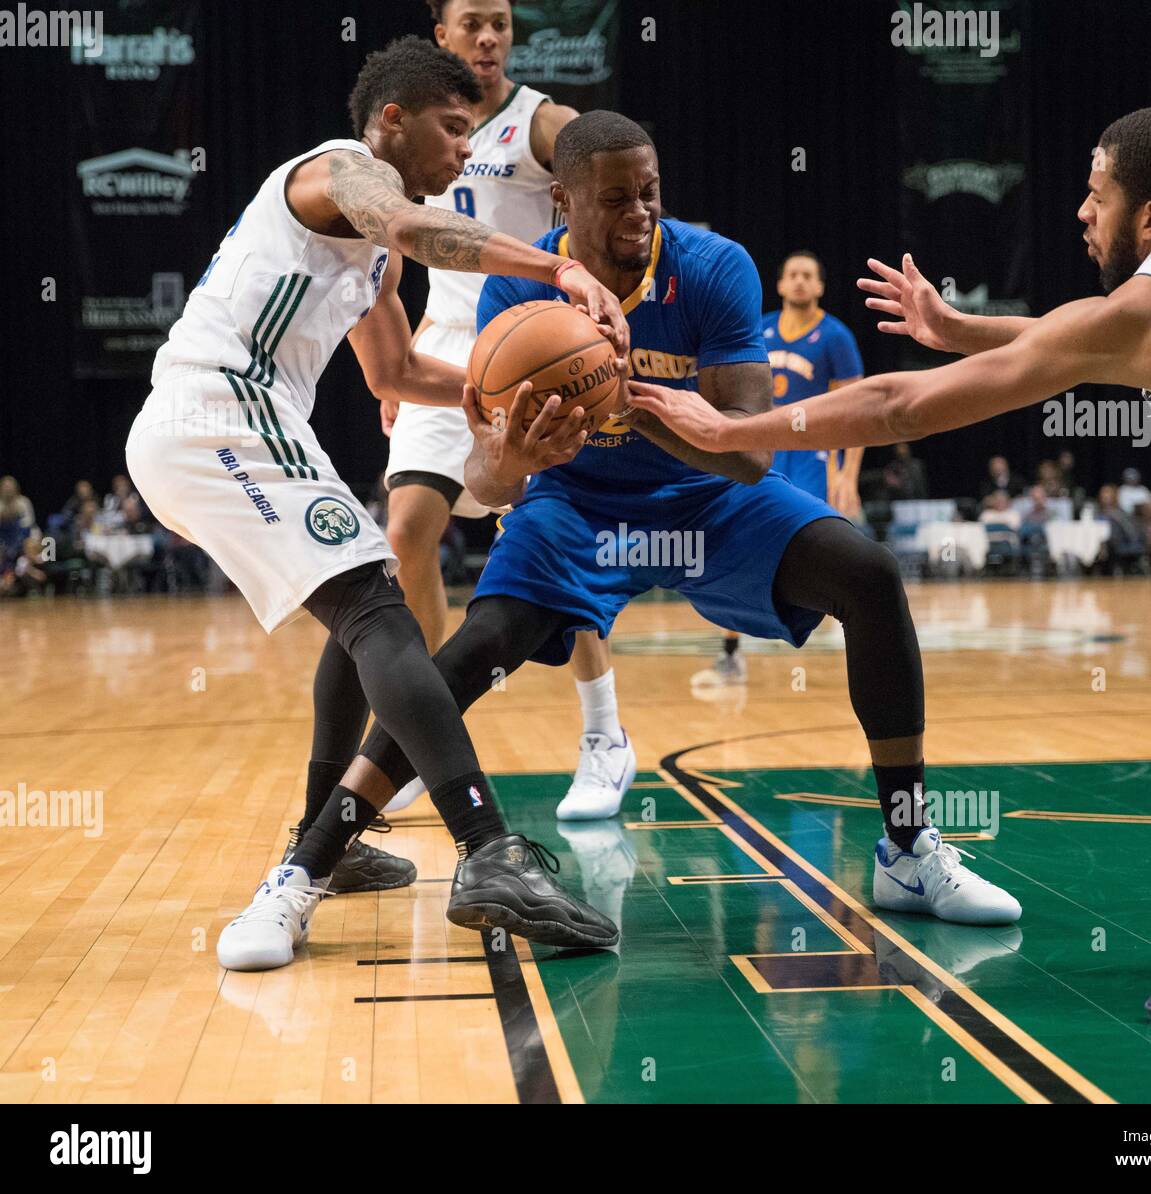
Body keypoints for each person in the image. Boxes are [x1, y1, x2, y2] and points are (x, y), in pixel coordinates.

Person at [630, 105, 1151, 1026]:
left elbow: (904, 406)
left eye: (1097, 195)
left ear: (1150, 218)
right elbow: (1092, 329)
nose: (1079, 212)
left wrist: (730, 429)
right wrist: (970, 328)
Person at [332, 110, 1021, 931]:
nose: (638, 214)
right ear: (563, 202)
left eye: (649, 194)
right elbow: (486, 472)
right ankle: (323, 843)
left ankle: (908, 851)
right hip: (576, 504)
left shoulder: (713, 265)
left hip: (709, 497)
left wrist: (635, 407)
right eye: (615, 199)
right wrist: (521, 457)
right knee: (475, 649)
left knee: (869, 575)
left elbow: (749, 454)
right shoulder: (520, 289)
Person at [126, 37, 627, 971]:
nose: (462, 156)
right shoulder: (340, 174)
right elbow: (415, 227)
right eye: (450, 130)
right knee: (377, 609)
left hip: (237, 426)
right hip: (216, 413)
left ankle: (331, 839)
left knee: (363, 602)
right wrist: (559, 269)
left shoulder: (373, 264)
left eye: (475, 135)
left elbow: (395, 372)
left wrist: (506, 397)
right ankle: (488, 850)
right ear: (392, 118)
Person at [381, 0, 635, 820]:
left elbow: (611, 160)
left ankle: (605, 734)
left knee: (550, 539)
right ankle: (433, 731)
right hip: (447, 342)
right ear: (441, 35)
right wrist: (399, 365)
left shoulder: (537, 122)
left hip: (530, 343)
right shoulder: (428, 129)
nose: (490, 38)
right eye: (473, 24)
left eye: (502, 24)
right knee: (406, 535)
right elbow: (419, 260)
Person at [700, 250, 865, 687]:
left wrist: (847, 473)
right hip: (760, 445)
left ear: (820, 286)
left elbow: (856, 410)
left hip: (812, 451)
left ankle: (842, 632)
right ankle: (731, 651)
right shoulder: (760, 329)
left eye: (807, 275)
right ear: (779, 284)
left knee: (813, 544)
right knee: (733, 538)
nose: (798, 281)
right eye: (791, 274)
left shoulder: (835, 337)